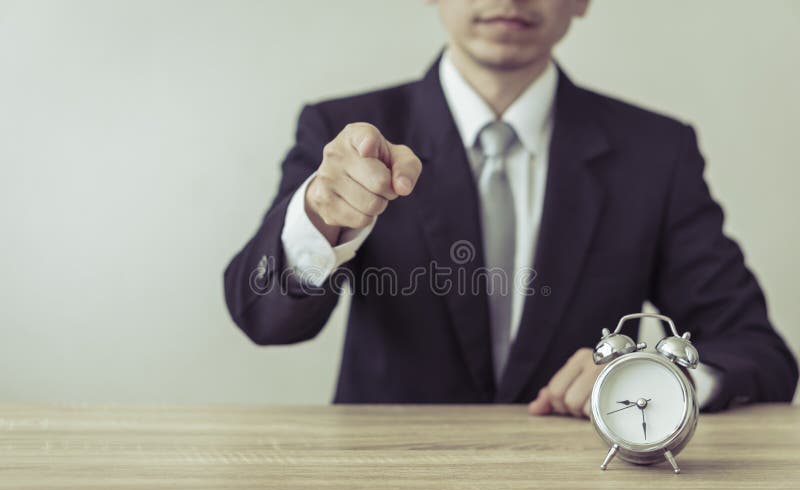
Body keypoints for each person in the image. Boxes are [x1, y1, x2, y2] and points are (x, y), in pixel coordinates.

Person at [224, 0, 797, 416]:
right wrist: (318, 219)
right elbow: (262, 319)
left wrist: (655, 375)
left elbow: (756, 351)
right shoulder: (343, 132)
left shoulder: (655, 154)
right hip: (383, 486)